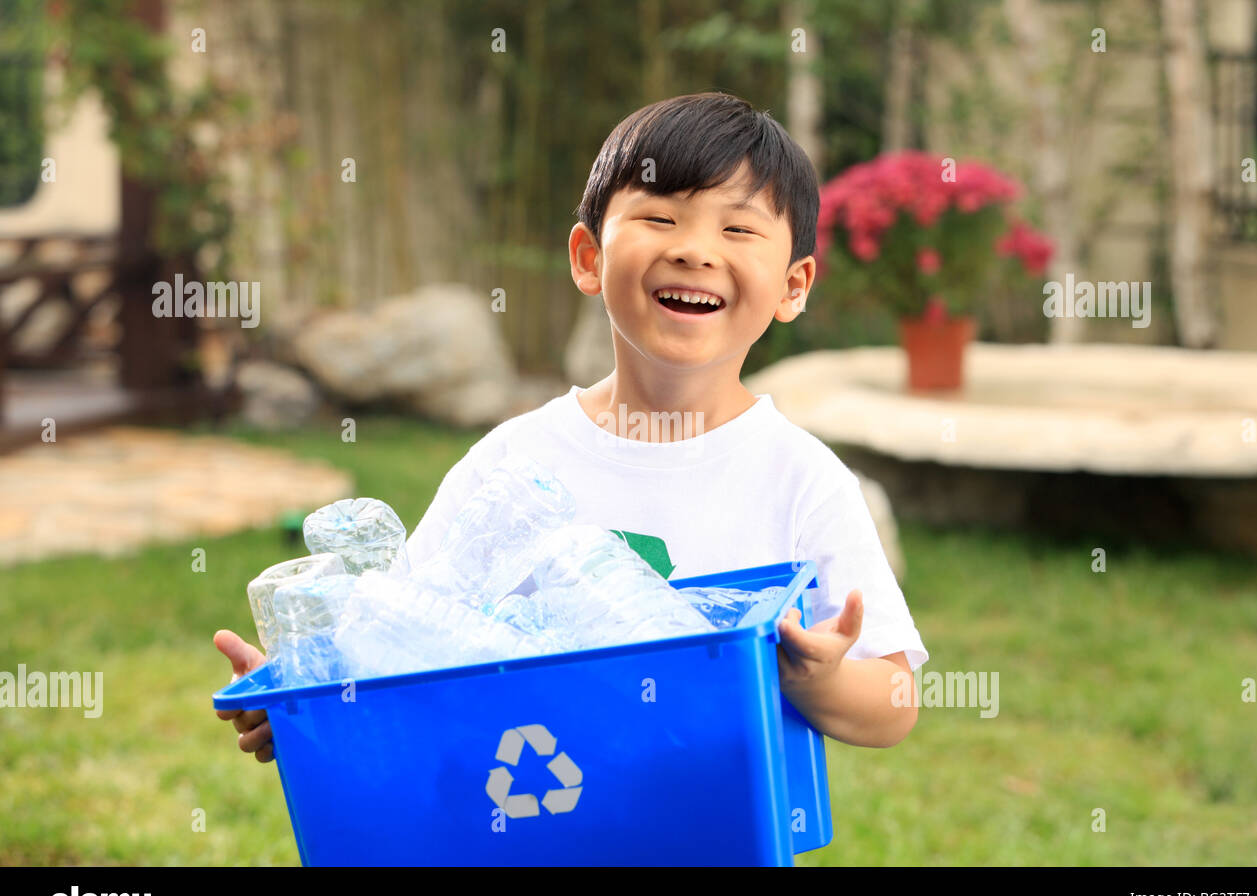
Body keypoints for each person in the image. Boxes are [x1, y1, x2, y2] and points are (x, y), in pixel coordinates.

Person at [215, 91, 928, 763]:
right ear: (589, 258)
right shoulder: (513, 462)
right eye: (660, 218)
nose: (695, 249)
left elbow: (894, 701)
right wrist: (302, 708)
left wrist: (809, 677)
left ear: (793, 286)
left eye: (738, 228)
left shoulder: (801, 479)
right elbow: (398, 648)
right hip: (516, 815)